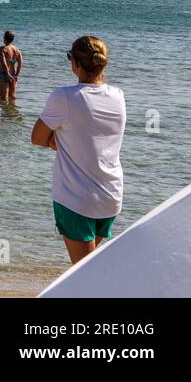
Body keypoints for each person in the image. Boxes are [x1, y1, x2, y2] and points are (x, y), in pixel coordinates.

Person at [30, 35, 125, 265]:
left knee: (85, 275)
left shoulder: (64, 97)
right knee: (90, 268)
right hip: (111, 196)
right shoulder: (118, 96)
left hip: (77, 199)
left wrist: (59, 141)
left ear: (75, 64)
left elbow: (37, 138)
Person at [0, 30, 22, 102]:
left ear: (4, 38)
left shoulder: (2, 48)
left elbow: (4, 63)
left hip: (4, 74)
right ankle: (12, 113)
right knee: (12, 98)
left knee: (3, 100)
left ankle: (6, 113)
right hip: (13, 74)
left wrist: (7, 73)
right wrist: (17, 75)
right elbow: (21, 63)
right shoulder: (16, 49)